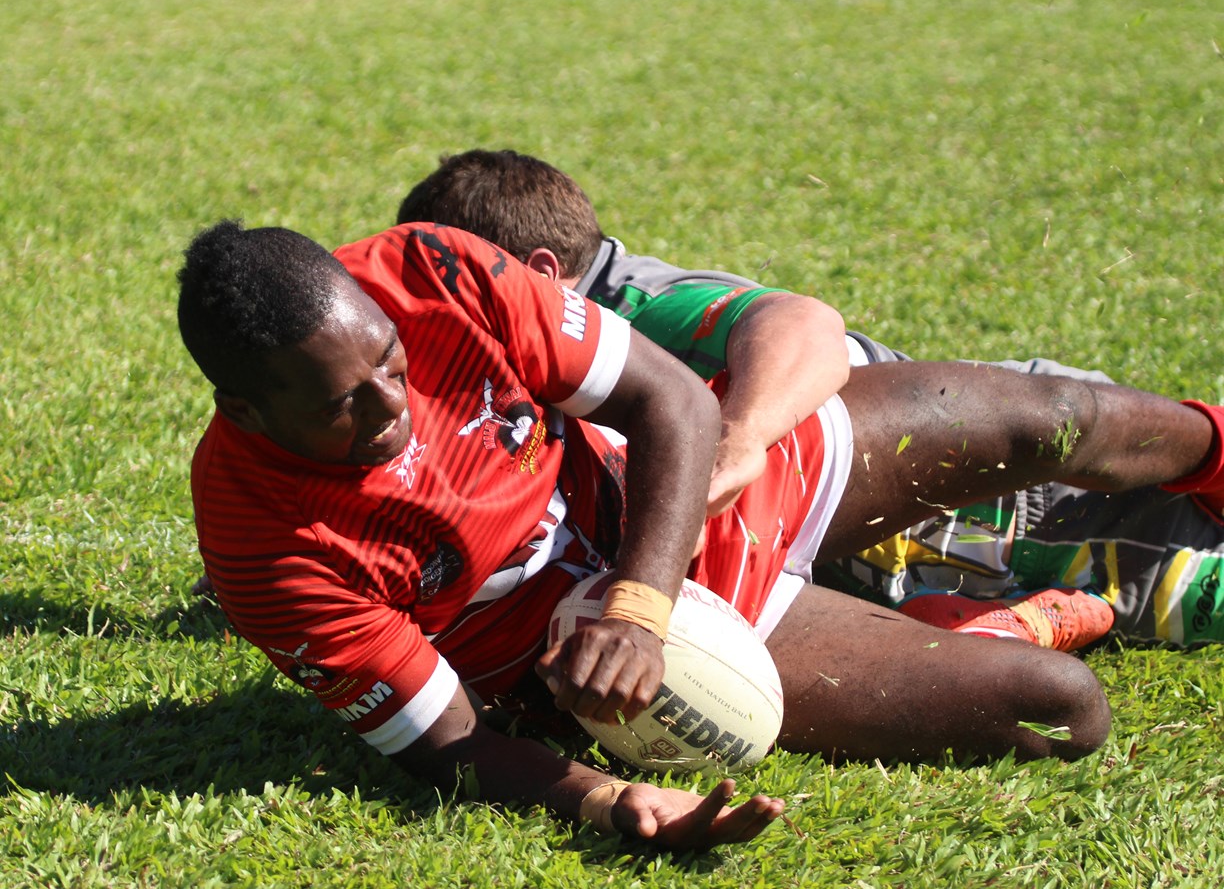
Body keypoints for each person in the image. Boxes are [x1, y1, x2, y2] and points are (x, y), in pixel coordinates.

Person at [178, 218, 1224, 847]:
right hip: (652, 660)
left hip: (687, 505)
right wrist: (610, 797)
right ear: (248, 411)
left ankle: (1216, 453)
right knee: (1061, 715)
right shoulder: (259, 538)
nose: (390, 409)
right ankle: (988, 631)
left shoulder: (435, 276)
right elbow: (443, 743)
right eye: (342, 408)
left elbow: (673, 404)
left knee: (1051, 415)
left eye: (390, 368)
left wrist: (642, 596)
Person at [396, 149, 1224, 648]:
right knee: (1177, 598)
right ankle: (1016, 626)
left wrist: (743, 434)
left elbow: (803, 323)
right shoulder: (524, 389)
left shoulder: (625, 299)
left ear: (537, 275)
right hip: (938, 559)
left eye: (465, 292)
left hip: (1019, 472)